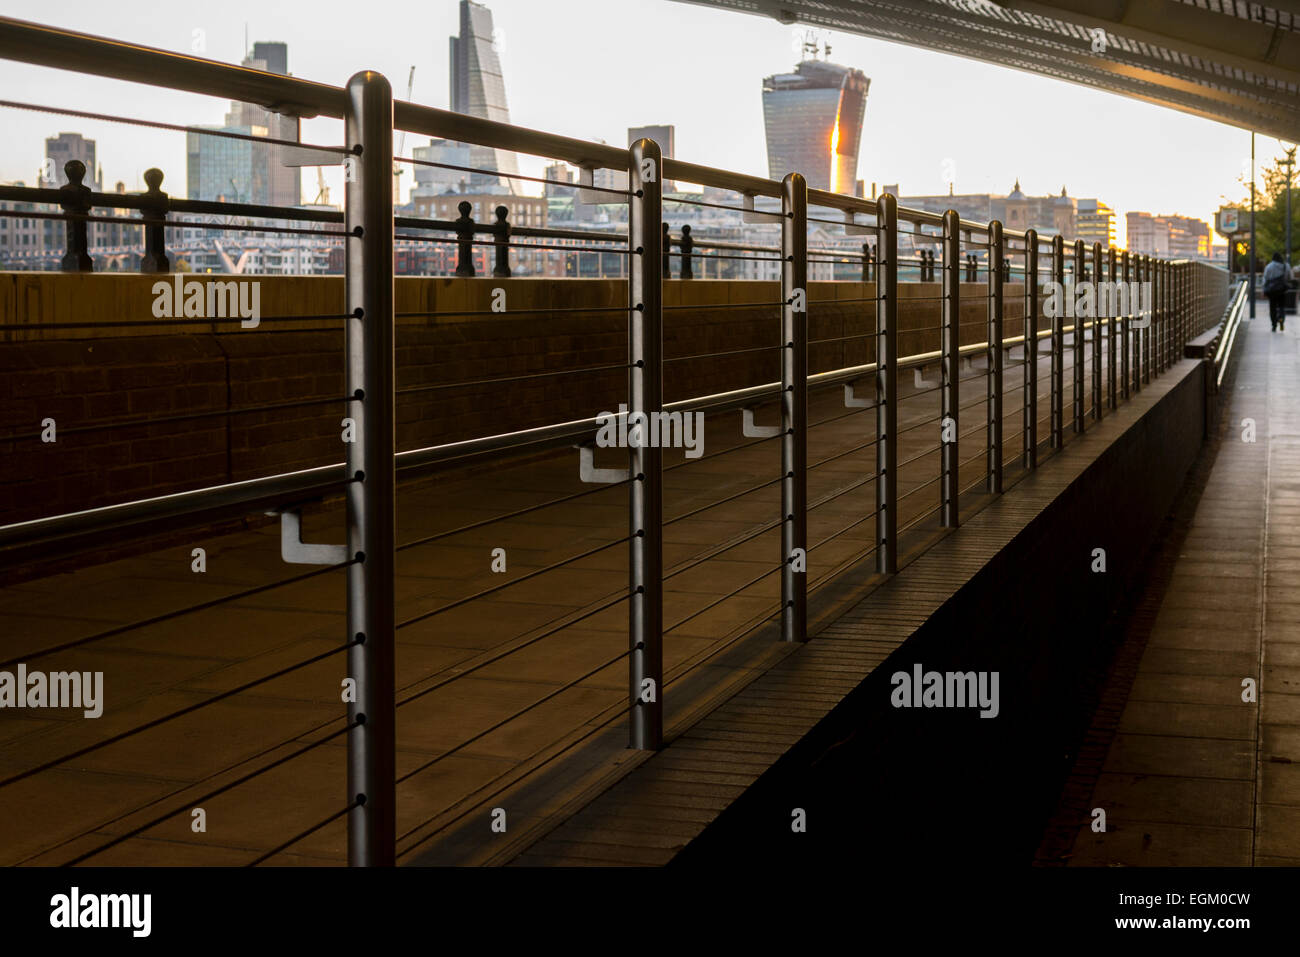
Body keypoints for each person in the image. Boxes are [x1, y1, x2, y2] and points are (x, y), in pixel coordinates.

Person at [1264, 252, 1289, 331]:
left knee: (1272, 307)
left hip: (1272, 290)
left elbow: (1265, 278)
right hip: (1282, 289)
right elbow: (1290, 276)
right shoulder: (1285, 266)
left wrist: (1264, 289)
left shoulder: (1269, 266)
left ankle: (1274, 325)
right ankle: (1281, 318)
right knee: (1281, 306)